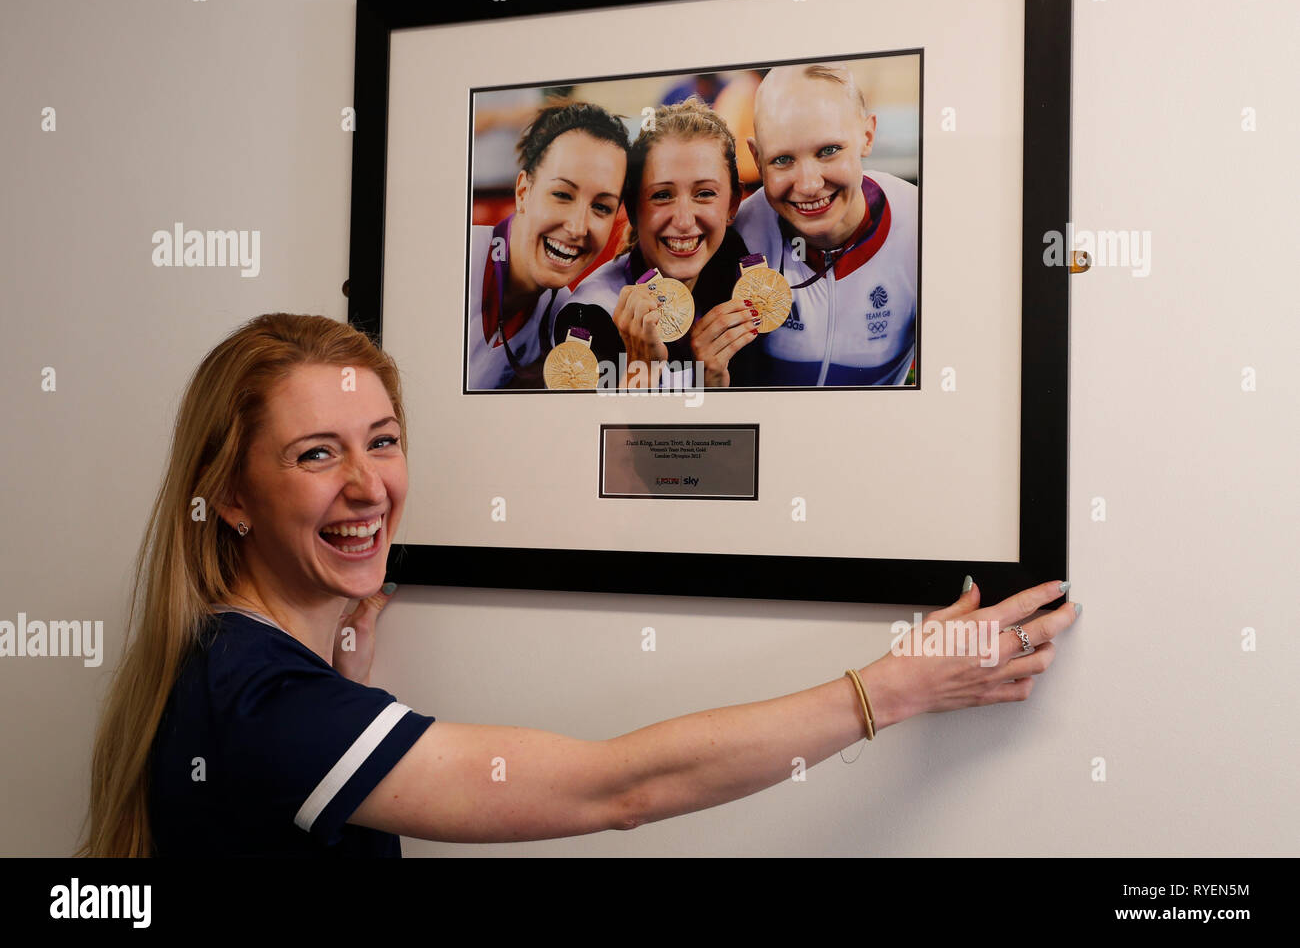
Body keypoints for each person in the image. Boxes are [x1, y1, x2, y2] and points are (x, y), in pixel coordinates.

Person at [78, 312, 1079, 857]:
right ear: (234, 499)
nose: (367, 485)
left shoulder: (231, 659)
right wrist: (898, 688)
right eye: (313, 455)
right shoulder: (266, 704)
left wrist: (344, 655)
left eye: (383, 442)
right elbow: (621, 791)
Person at [553, 98, 762, 389]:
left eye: (704, 193)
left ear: (732, 204)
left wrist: (716, 385)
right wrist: (643, 372)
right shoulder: (590, 316)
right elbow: (591, 432)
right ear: (633, 208)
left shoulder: (739, 277)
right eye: (662, 195)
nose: (684, 220)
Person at [733, 63, 917, 386]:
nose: (807, 184)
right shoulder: (739, 236)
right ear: (757, 158)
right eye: (782, 159)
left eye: (828, 151)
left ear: (867, 135)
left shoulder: (920, 230)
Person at [467, 102, 630, 390]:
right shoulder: (458, 263)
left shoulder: (560, 318)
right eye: (562, 195)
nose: (578, 227)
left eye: (602, 207)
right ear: (523, 192)